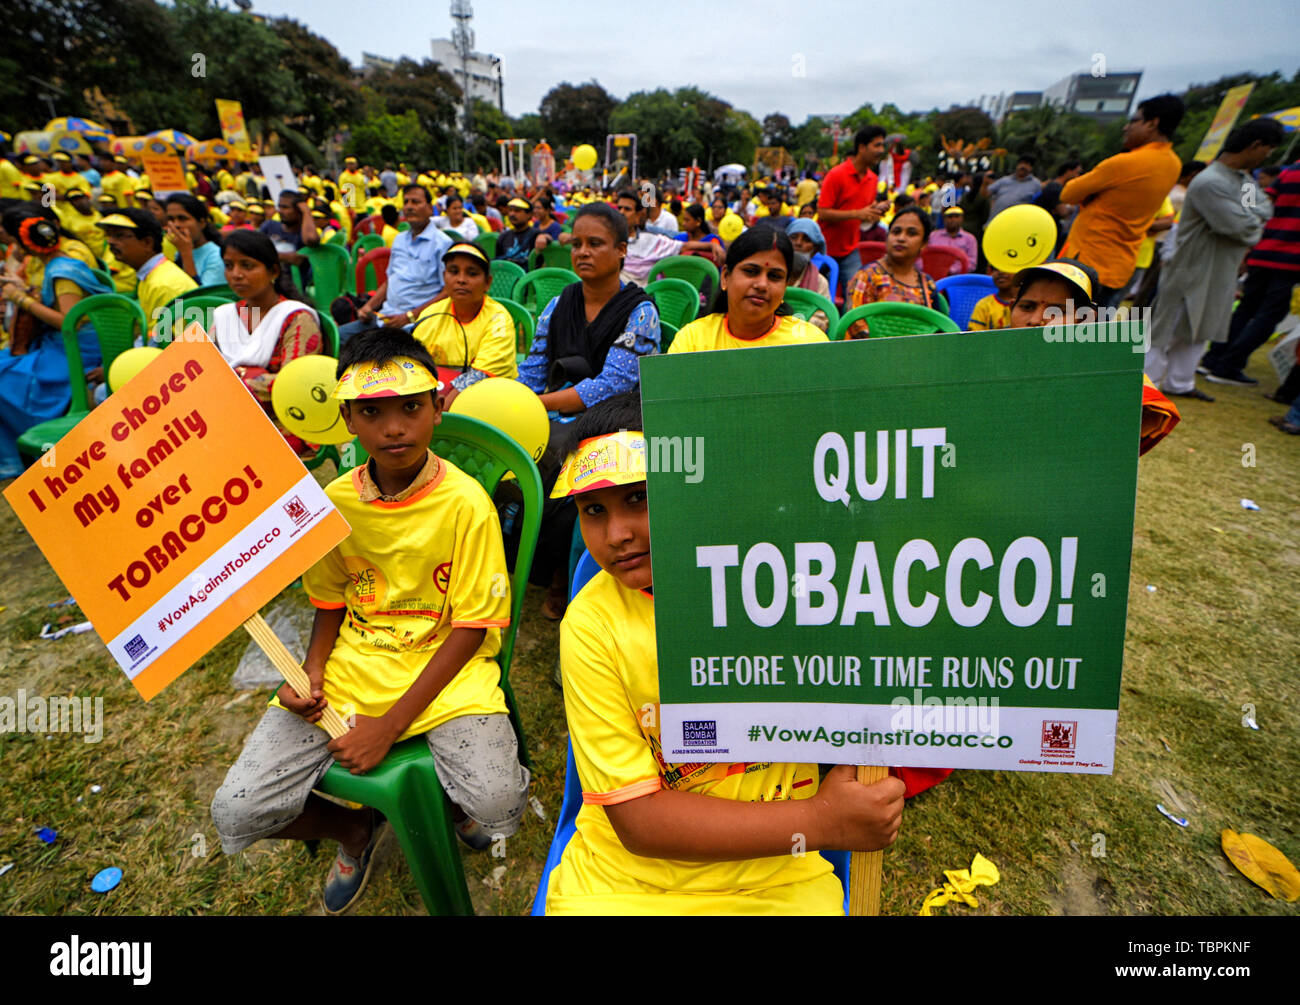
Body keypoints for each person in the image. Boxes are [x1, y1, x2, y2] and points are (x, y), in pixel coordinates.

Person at [543, 392, 905, 915]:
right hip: (625, 882)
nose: (617, 534)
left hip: (781, 877)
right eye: (593, 510)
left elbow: (863, 699)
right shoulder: (591, 625)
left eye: (640, 498)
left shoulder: (792, 588)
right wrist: (825, 821)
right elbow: (639, 822)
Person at [211, 328, 530, 914]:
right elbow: (329, 601)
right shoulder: (334, 500)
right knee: (237, 808)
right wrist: (310, 670)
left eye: (411, 407)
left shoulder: (466, 504)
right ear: (349, 419)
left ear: (439, 406)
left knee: (498, 804)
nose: (394, 427)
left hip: (449, 676)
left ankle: (454, 806)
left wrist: (388, 726)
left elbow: (471, 627)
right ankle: (355, 833)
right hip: (354, 669)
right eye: (372, 412)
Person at [517, 201, 661, 618]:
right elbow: (533, 367)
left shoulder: (640, 312)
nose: (582, 252)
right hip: (552, 411)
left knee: (570, 472)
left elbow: (608, 387)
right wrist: (517, 404)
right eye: (577, 243)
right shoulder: (558, 304)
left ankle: (564, 577)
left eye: (595, 243)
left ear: (621, 250)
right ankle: (526, 561)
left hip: (614, 421)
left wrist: (535, 404)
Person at [1144, 119, 1280, 402]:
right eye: (1268, 149)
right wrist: (1252, 222)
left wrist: (1249, 219)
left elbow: (1263, 208)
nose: (1268, 156)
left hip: (1221, 269)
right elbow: (1239, 227)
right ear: (1256, 146)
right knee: (1168, 327)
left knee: (1200, 328)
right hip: (1191, 267)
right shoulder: (1210, 182)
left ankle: (1180, 383)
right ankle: (1147, 382)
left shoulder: (1242, 182)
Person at [1009, 258, 1181, 455]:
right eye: (1027, 307)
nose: (1036, 320)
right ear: (1012, 307)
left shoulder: (1104, 366)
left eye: (1057, 311)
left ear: (1084, 319)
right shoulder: (986, 355)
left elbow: (1154, 412)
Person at [0, 208, 113, 477]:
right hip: (57, 343)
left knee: (4, 379)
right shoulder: (55, 262)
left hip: (75, 351)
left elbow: (67, 321)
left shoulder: (62, 272)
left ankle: (17, 458)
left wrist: (20, 299)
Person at [1059, 95, 1185, 308]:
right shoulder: (1174, 164)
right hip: (1122, 263)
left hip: (1088, 260)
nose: (1125, 128)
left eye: (1134, 121)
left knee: (1067, 327)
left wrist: (1092, 197)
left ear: (1153, 123)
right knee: (1096, 328)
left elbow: (1068, 193)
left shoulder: (1125, 163)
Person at [211, 230, 322, 450]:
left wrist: (239, 384)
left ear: (273, 271)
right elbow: (205, 368)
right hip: (228, 413)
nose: (236, 274)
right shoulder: (225, 315)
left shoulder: (296, 318)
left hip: (285, 418)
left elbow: (294, 385)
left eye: (247, 266)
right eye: (229, 265)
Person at [1199, 157, 1299, 386]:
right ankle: (1229, 366)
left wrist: (1249, 247)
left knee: (1246, 308)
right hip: (1292, 260)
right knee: (1269, 315)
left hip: (1263, 250)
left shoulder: (1290, 171)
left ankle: (1212, 359)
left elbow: (1259, 205)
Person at [668, 227, 828, 352]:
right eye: (751, 271)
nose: (762, 285)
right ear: (725, 277)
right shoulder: (693, 341)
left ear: (785, 287)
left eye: (774, 276)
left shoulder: (809, 343)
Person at [339, 184, 452, 344]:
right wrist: (369, 307)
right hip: (385, 318)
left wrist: (409, 316)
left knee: (373, 350)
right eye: (406, 202)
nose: (409, 207)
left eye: (416, 202)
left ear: (429, 208)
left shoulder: (442, 244)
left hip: (416, 324)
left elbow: (447, 292)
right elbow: (390, 281)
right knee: (338, 337)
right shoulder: (399, 240)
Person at [412, 241, 517, 391]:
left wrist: (438, 414)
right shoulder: (430, 314)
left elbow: (477, 380)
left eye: (472, 273)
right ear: (444, 276)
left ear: (487, 283)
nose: (461, 280)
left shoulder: (498, 320)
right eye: (454, 271)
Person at [98, 208, 197, 339]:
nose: (110, 241)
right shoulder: (150, 275)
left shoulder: (163, 285)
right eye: (109, 235)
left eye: (119, 235)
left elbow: (165, 343)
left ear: (147, 242)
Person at [818, 127, 891, 303]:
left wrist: (876, 210)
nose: (881, 150)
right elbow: (822, 212)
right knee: (822, 299)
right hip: (825, 249)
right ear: (862, 147)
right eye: (877, 145)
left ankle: (848, 330)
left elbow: (862, 212)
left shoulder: (873, 179)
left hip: (850, 249)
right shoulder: (836, 175)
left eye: (882, 145)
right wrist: (859, 213)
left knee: (855, 297)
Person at [844, 206, 941, 337]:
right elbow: (855, 324)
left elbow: (937, 329)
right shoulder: (868, 276)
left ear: (924, 243)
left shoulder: (926, 284)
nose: (901, 238)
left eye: (911, 233)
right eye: (896, 232)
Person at [615, 190, 721, 284]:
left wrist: (712, 246)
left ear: (639, 215)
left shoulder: (651, 241)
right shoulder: (609, 239)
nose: (621, 213)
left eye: (627, 209)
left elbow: (683, 246)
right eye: (619, 208)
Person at [260, 188, 320, 288]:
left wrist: (306, 211)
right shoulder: (269, 226)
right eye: (279, 207)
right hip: (267, 284)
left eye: (285, 208)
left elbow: (311, 239)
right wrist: (286, 257)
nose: (280, 211)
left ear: (298, 210)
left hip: (294, 288)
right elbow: (254, 249)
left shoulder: (303, 234)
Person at [165, 193, 225, 286]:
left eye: (182, 218)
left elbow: (198, 298)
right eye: (171, 219)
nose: (176, 225)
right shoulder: (179, 253)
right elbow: (180, 296)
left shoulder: (216, 257)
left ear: (201, 223)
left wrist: (186, 254)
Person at [786, 217, 833, 332]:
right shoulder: (771, 274)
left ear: (815, 249)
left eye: (806, 239)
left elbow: (823, 319)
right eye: (793, 237)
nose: (798, 243)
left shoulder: (819, 282)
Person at [1034, 159, 1083, 252]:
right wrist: (1071, 208)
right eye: (1077, 173)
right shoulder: (1055, 188)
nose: (1078, 177)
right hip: (1046, 231)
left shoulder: (1055, 186)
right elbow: (1063, 212)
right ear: (1069, 171)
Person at [986, 155, 1042, 220]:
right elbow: (986, 193)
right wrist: (985, 182)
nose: (1023, 166)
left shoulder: (1036, 184)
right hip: (995, 220)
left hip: (1016, 222)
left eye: (1026, 164)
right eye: (1021, 163)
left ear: (1031, 167)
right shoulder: (1004, 180)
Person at [926, 206, 976, 274]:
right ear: (944, 219)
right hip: (934, 276)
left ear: (962, 218)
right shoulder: (933, 236)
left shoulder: (970, 239)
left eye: (956, 216)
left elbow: (972, 264)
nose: (953, 219)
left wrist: (951, 270)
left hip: (958, 278)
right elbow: (924, 257)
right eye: (950, 216)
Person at [495, 197, 540, 267]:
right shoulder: (503, 237)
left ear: (529, 215)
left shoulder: (536, 235)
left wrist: (545, 238)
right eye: (510, 210)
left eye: (517, 211)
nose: (512, 214)